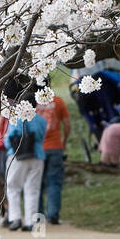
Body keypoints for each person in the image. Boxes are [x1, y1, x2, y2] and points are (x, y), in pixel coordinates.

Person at [4, 106, 48, 232]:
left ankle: (15, 218)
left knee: (13, 186)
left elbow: (10, 138)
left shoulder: (16, 119)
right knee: (33, 189)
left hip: (16, 156)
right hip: (37, 155)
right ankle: (30, 221)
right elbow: (42, 137)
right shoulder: (41, 120)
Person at [35, 87, 71, 224]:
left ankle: (38, 215)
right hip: (55, 147)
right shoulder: (58, 101)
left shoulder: (33, 103)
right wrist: (64, 141)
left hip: (37, 148)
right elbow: (67, 125)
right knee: (54, 182)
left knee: (37, 183)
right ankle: (53, 214)